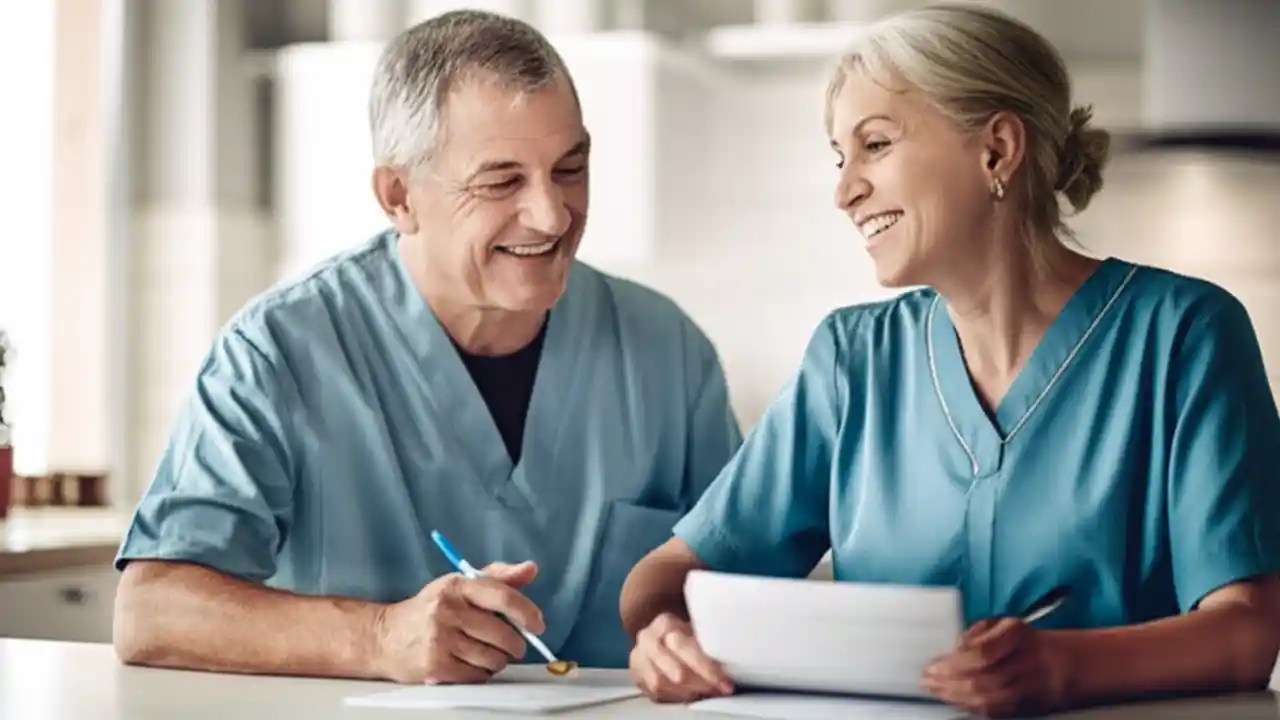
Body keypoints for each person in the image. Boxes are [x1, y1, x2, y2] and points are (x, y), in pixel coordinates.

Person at [620, 5, 1280, 717]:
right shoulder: (851, 360)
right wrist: (665, 634)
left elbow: (1246, 632)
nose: (844, 192)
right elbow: (667, 575)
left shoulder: (1184, 334)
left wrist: (1063, 667)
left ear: (996, 149)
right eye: (841, 157)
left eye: (875, 145)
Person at [112, 10, 741, 683]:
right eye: (502, 182)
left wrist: (687, 635)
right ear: (399, 196)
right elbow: (152, 609)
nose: (552, 214)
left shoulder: (667, 352)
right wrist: (376, 638)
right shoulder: (277, 353)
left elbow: (741, 582)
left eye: (570, 167)